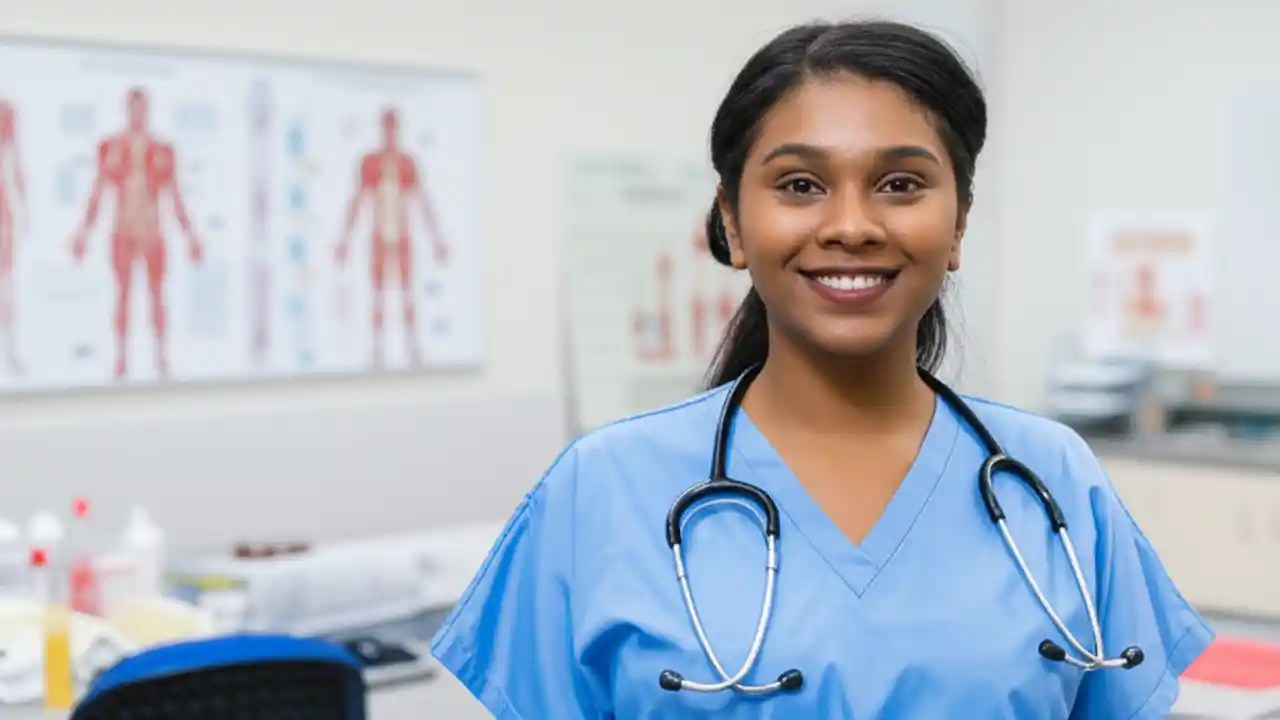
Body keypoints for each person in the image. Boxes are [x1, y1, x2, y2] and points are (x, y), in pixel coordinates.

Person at [430, 20, 1213, 718]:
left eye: (900, 184)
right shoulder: (602, 488)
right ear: (733, 223)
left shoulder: (1055, 480)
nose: (850, 225)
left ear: (958, 224)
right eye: (800, 185)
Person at [71, 88, 204, 380]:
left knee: (157, 297)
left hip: (152, 231)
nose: (138, 114)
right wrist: (83, 234)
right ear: (126, 109)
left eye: (142, 108)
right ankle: (122, 360)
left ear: (148, 110)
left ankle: (161, 358)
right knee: (123, 297)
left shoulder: (163, 151)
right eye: (133, 108)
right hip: (124, 230)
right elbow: (98, 192)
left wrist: (191, 236)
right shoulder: (111, 147)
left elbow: (175, 196)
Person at [335, 108, 450, 369]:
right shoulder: (370, 162)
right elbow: (357, 202)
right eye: (387, 126)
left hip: (402, 232)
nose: (390, 132)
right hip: (379, 233)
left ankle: (413, 347)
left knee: (407, 293)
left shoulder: (407, 163)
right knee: (378, 294)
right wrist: (345, 241)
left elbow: (423, 202)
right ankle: (377, 350)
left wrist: (437, 241)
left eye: (393, 127)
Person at [0, 101, 27, 375]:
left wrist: (24, 206)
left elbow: (15, 160)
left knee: (5, 285)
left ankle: (9, 351)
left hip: (1, 211)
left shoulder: (6, 113)